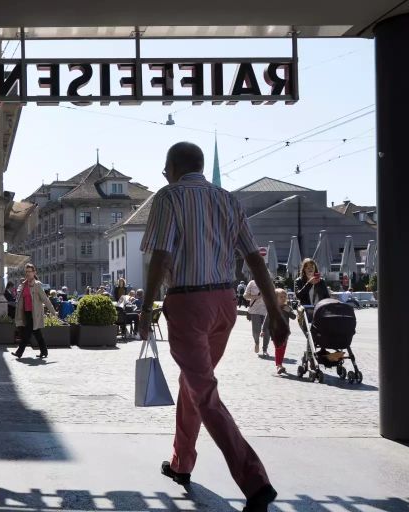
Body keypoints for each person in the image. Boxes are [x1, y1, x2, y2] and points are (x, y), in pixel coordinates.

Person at [137, 142, 284, 512]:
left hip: (188, 303)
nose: (164, 174)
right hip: (224, 305)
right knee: (193, 383)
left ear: (173, 166)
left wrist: (145, 306)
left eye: (164, 168)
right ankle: (181, 463)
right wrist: (278, 314)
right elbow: (253, 258)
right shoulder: (228, 199)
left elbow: (161, 254)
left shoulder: (168, 197)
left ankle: (256, 482)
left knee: (204, 392)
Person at [13, 263, 54, 359]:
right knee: (36, 332)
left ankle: (19, 352)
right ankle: (44, 351)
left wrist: (53, 311)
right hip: (26, 312)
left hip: (34, 313)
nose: (27, 273)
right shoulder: (23, 285)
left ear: (34, 272)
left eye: (29, 271)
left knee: (27, 333)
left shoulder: (37, 285)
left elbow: (45, 299)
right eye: (26, 271)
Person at [259, 289, 296, 374]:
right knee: (278, 347)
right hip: (275, 331)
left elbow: (293, 317)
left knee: (283, 348)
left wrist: (288, 310)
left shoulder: (287, 307)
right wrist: (263, 330)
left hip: (285, 332)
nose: (283, 298)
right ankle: (278, 365)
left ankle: (280, 364)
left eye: (284, 297)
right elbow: (267, 319)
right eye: (281, 297)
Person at [243, 279, 270, 356]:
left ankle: (265, 349)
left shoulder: (269, 282)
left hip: (267, 311)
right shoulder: (252, 283)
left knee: (267, 331)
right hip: (255, 310)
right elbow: (245, 296)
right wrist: (256, 296)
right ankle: (257, 342)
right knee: (256, 331)